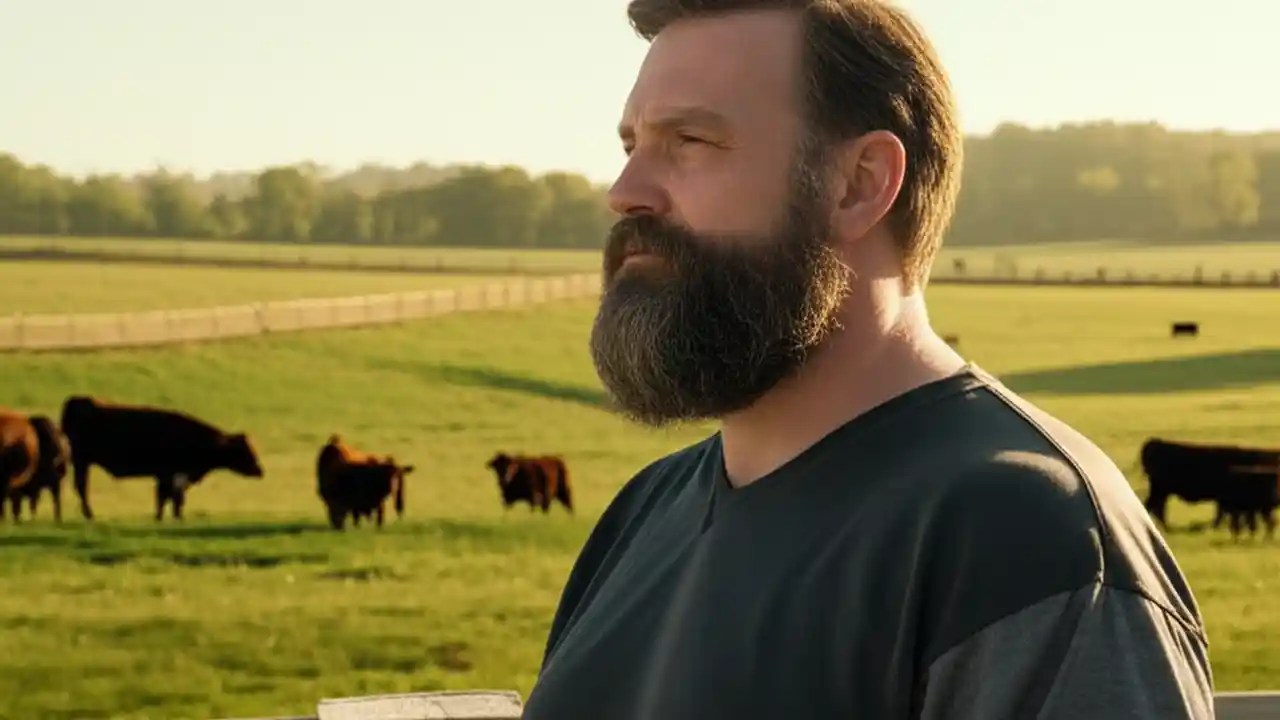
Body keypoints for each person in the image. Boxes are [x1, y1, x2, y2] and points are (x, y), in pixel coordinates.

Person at [521, 1, 1215, 718]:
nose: (624, 192)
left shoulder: (1026, 539)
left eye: (689, 140)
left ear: (858, 183)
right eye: (630, 145)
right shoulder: (644, 513)